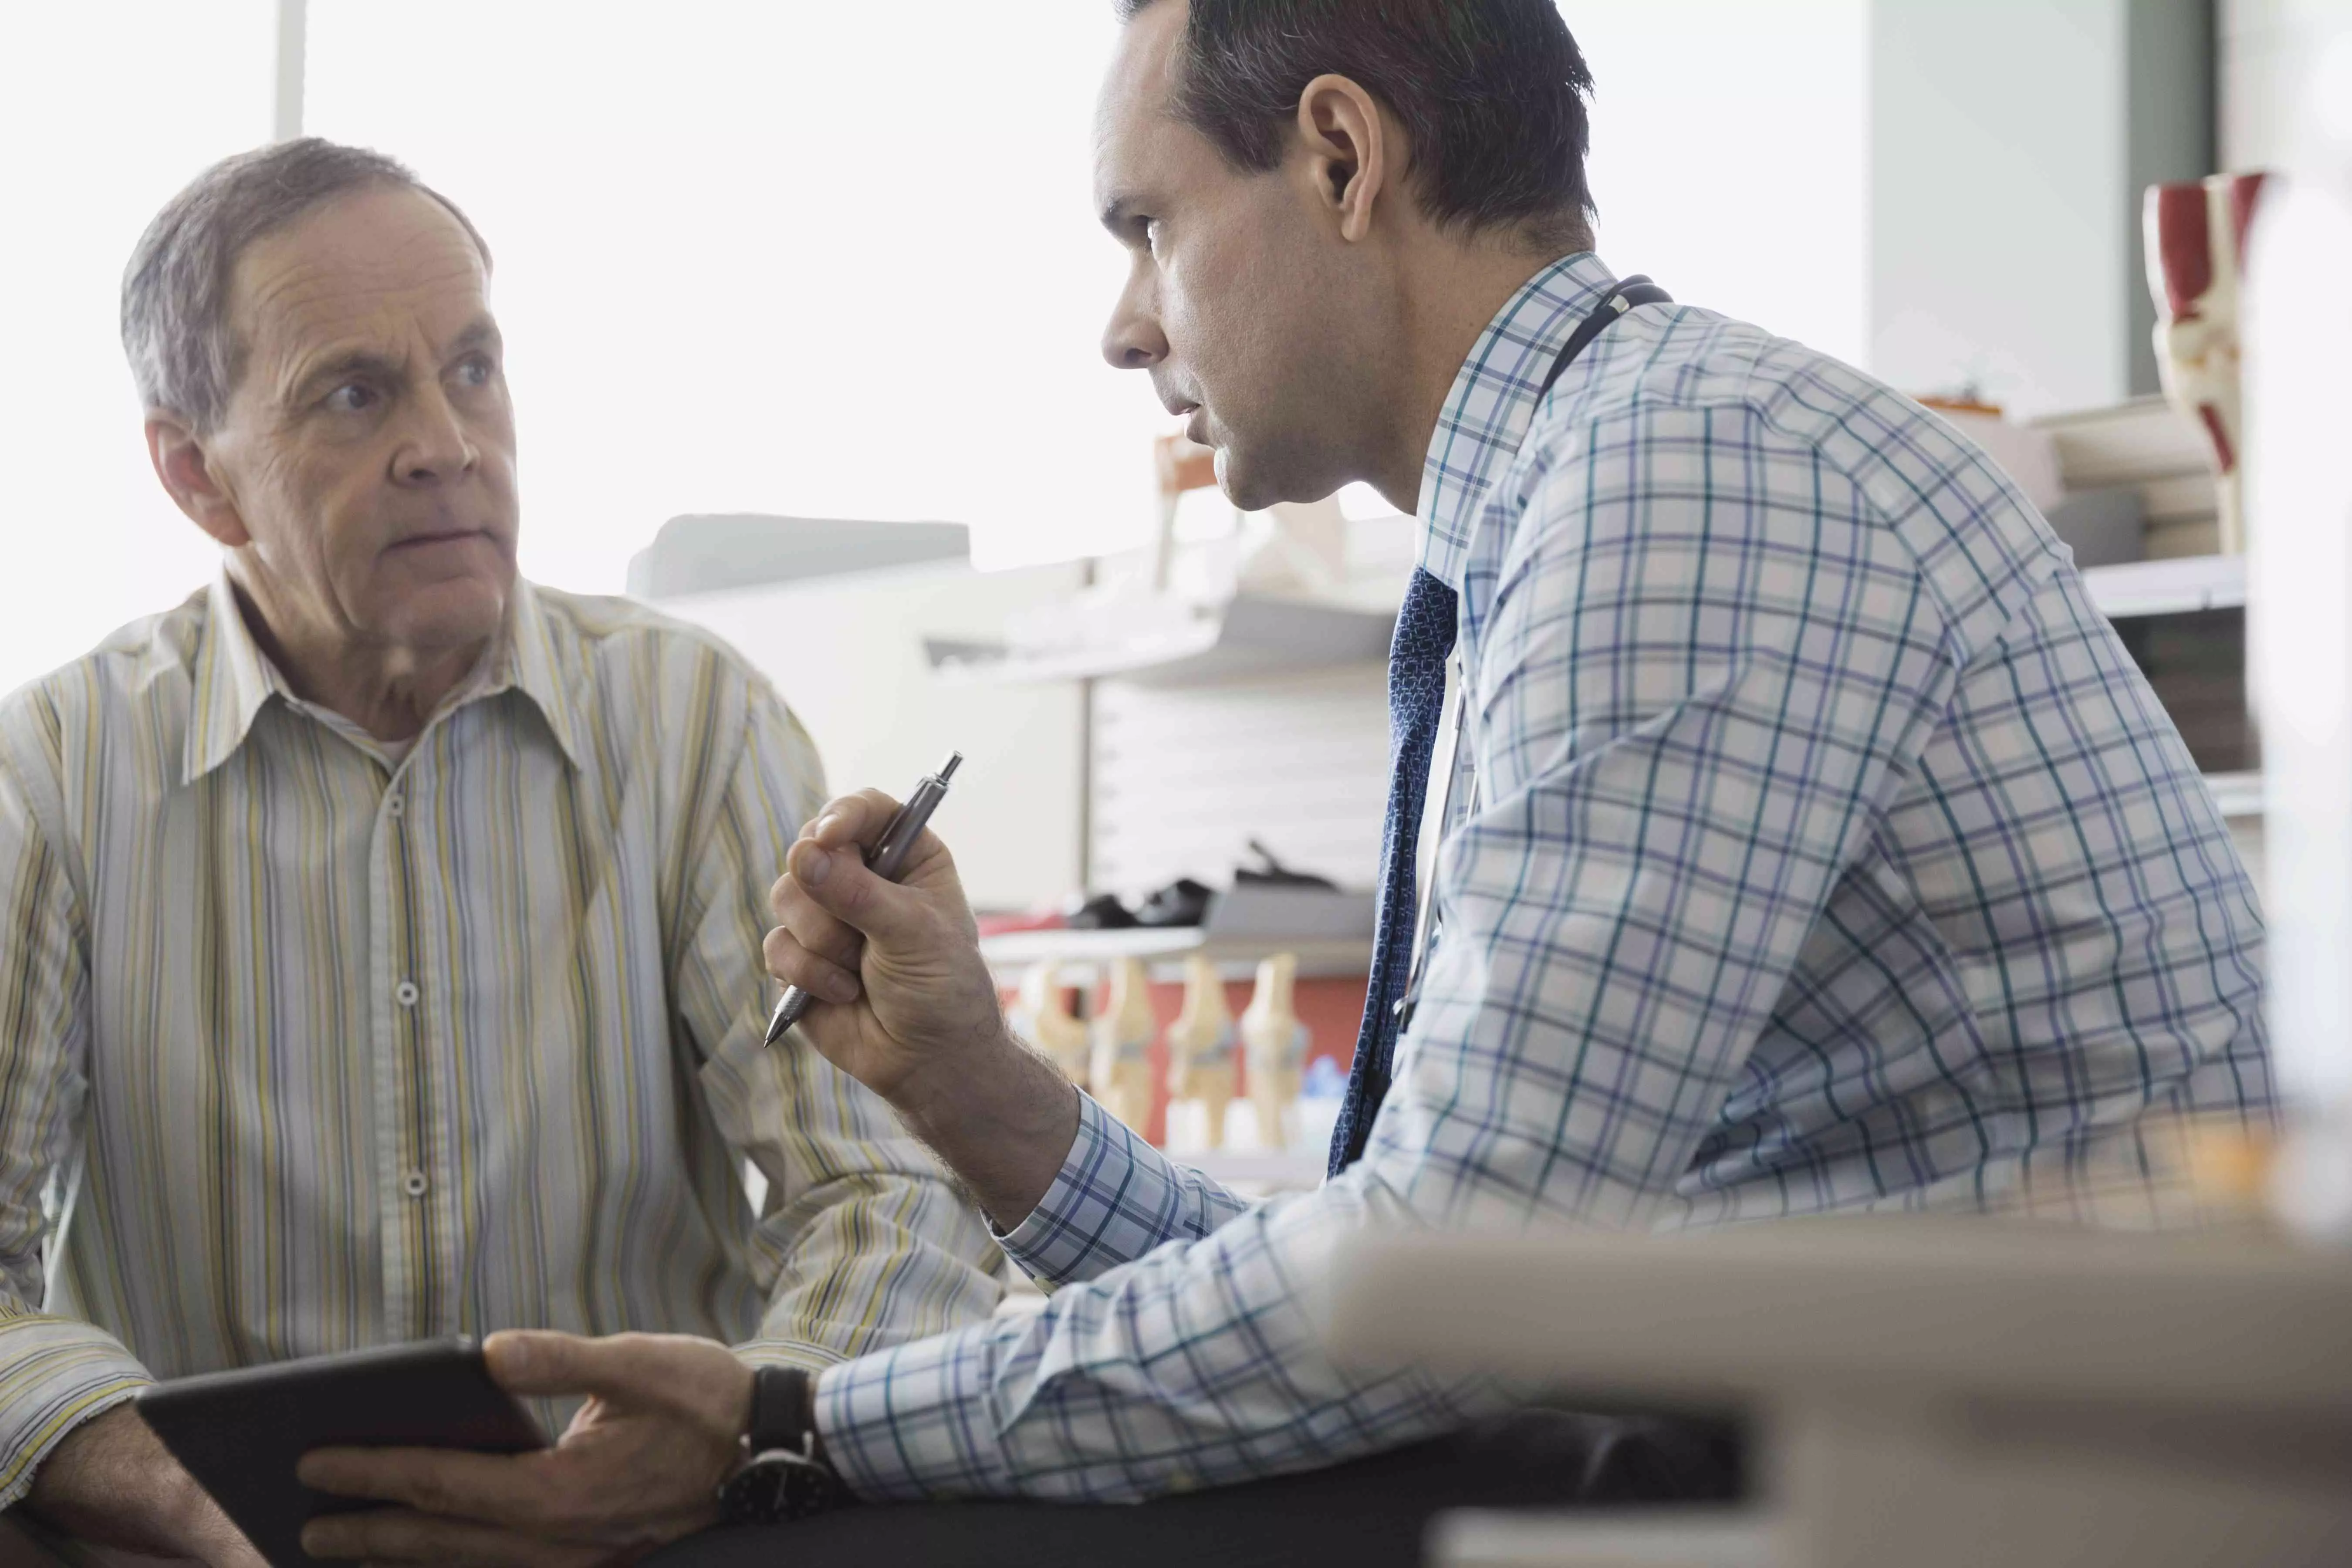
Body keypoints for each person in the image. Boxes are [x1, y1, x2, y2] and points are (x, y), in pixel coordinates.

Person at [292, 0, 2271, 1563]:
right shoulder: (1579, 499)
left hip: (2031, 1482)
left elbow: (1449, 1296)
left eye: (1148, 226)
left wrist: (799, 1428)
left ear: (1338, 154)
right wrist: (986, 1105)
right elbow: (1412, 1279)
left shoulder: (1680, 481)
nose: (1123, 323)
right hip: (1825, 1419)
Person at [0, 139, 1004, 1564]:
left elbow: (881, 1184)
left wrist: (741, 1440)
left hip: (661, 1542)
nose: (447, 442)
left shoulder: (691, 718)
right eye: (356, 393)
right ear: (195, 475)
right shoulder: (52, 771)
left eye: (472, 369)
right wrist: (177, 1494)